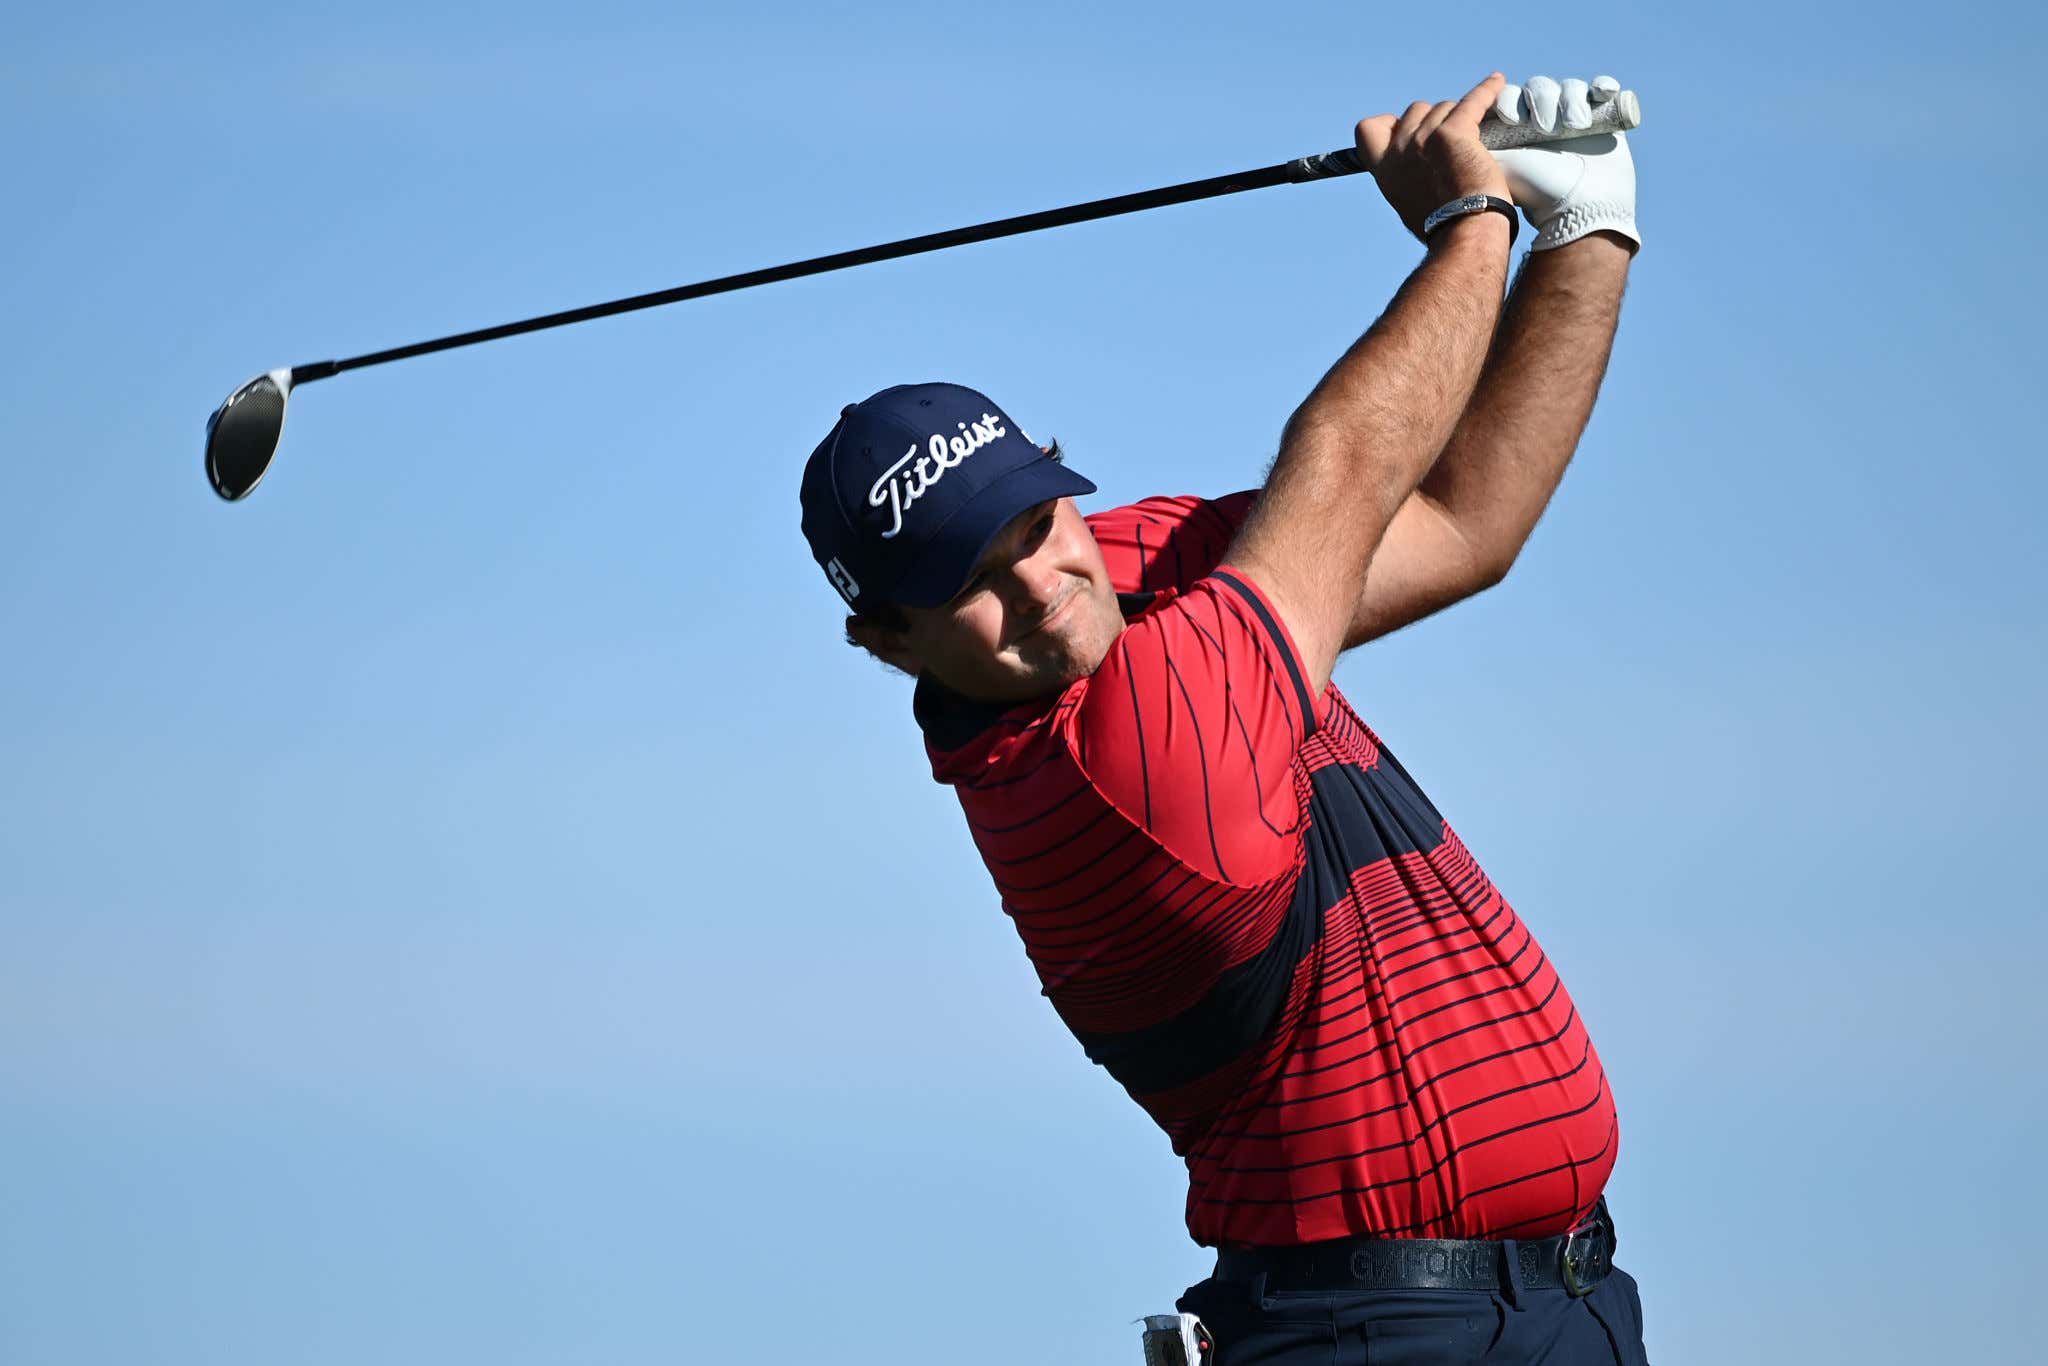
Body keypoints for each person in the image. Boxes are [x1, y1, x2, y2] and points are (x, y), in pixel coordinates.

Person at [798, 72, 1647, 1365]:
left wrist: (1583, 235)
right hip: (1372, 1331)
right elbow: (1348, 464)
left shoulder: (1113, 594)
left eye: (1038, 520)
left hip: (1564, 1298)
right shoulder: (1119, 762)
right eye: (975, 578)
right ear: (888, 640)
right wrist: (1467, 214)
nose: (1041, 576)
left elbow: (1467, 525)